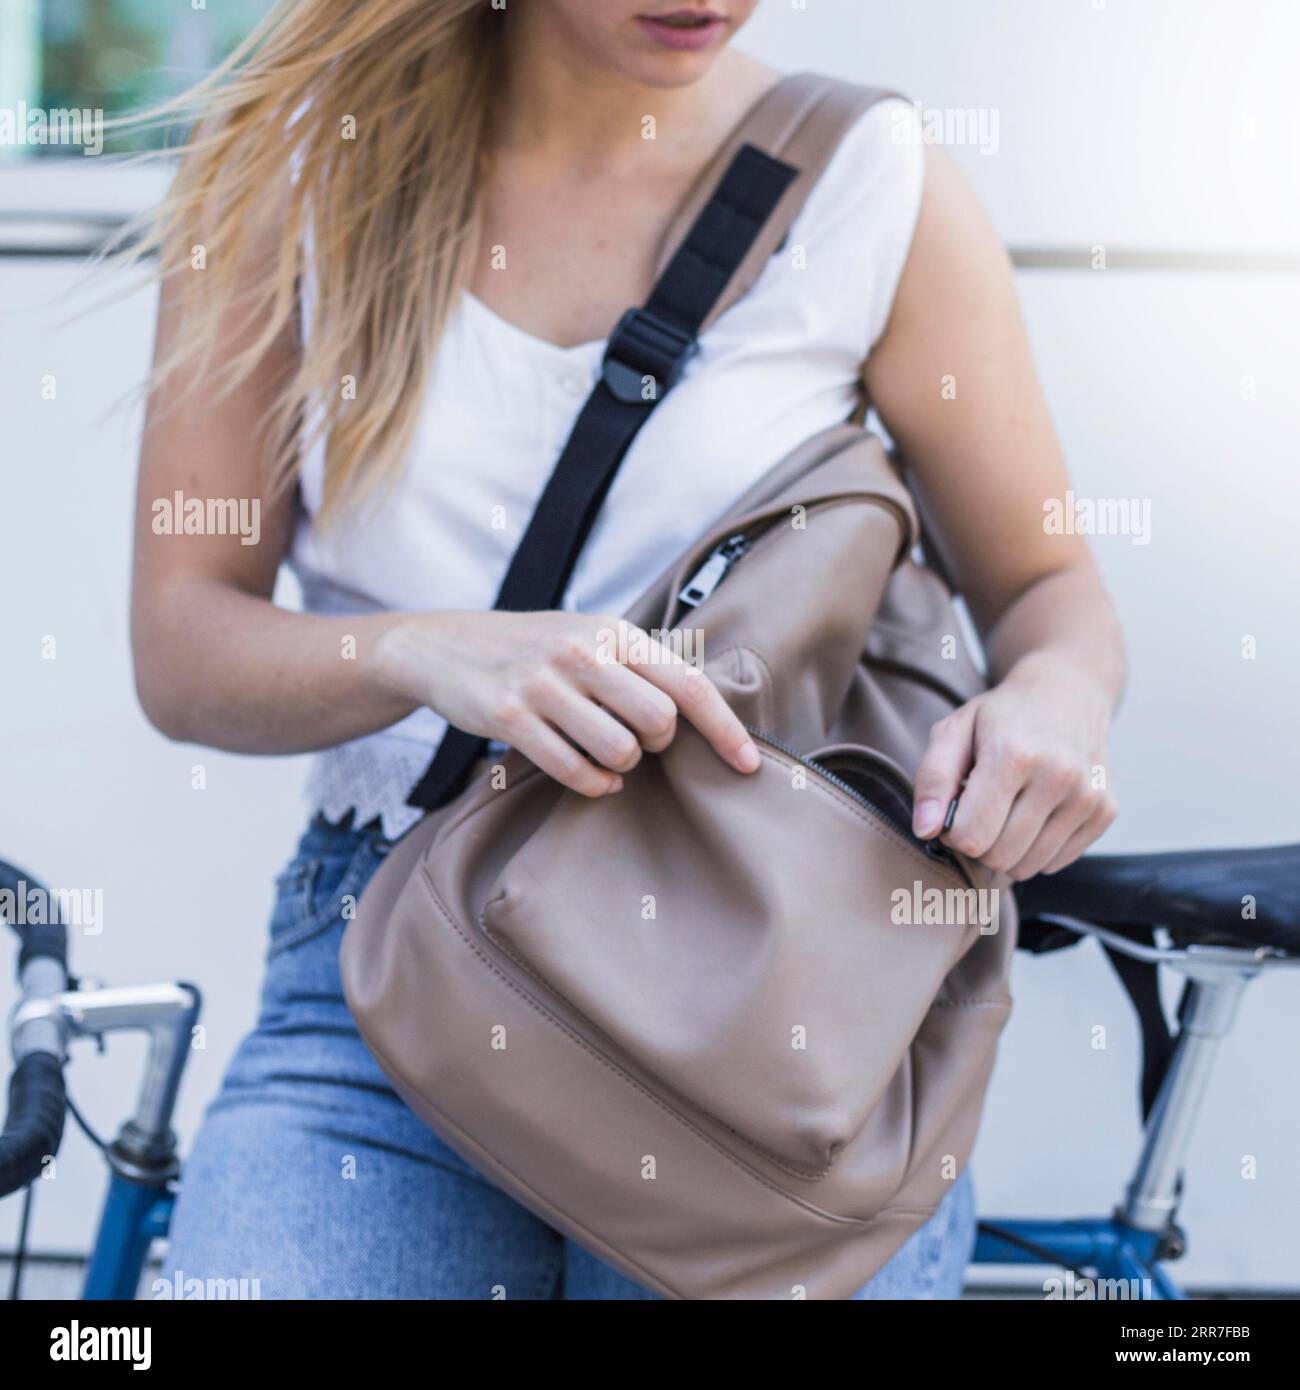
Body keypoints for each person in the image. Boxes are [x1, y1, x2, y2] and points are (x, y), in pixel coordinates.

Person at [129, 0, 1125, 1298]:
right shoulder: (292, 173)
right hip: (387, 958)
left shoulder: (873, 182)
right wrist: (430, 652)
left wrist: (1053, 699)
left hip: (771, 981)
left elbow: (1049, 584)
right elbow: (182, 643)